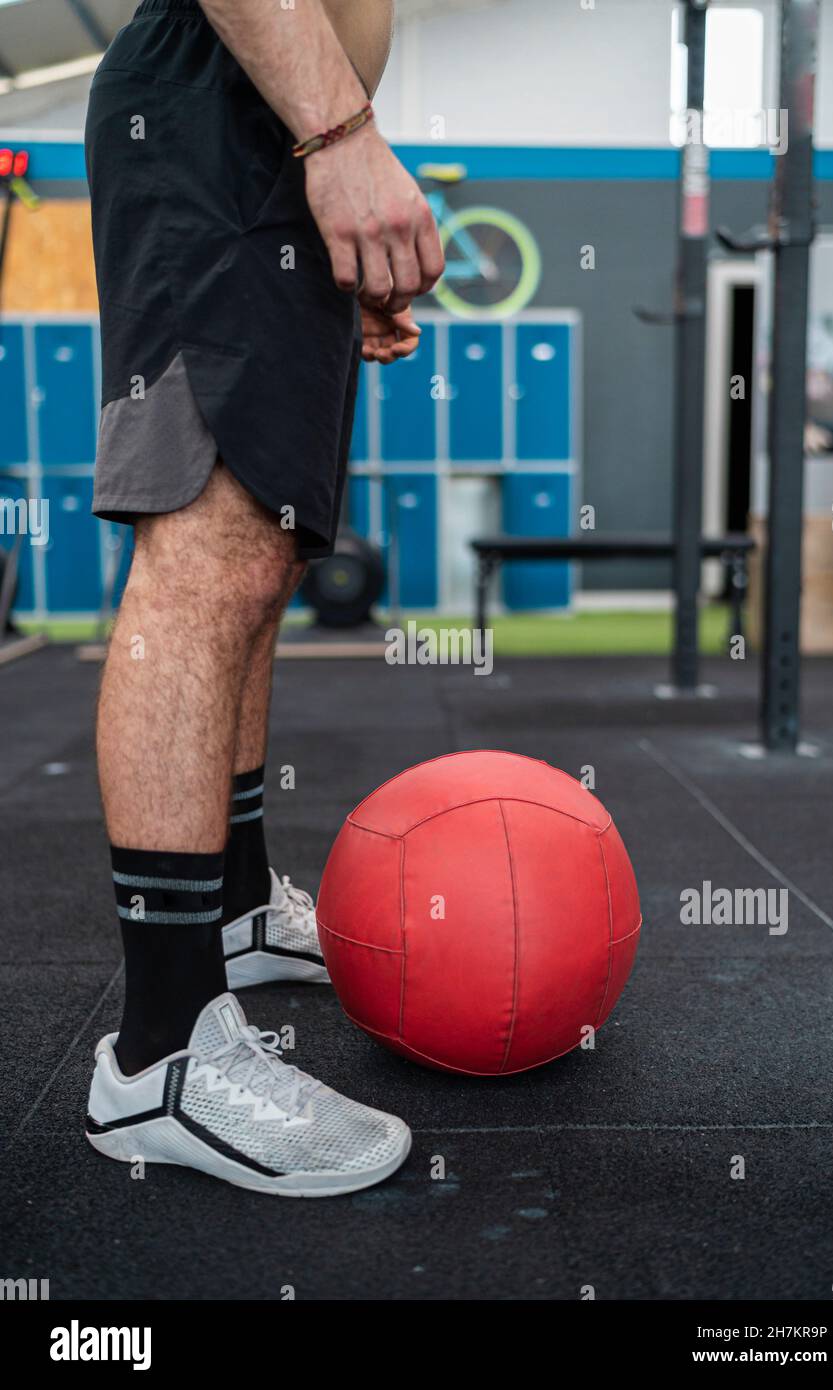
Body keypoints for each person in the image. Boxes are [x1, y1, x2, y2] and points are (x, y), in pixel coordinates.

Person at [83, 0, 444, 1196]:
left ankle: (234, 915)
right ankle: (165, 1057)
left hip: (281, 124)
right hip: (229, 110)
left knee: (265, 551)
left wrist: (337, 149)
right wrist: (338, 138)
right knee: (206, 543)